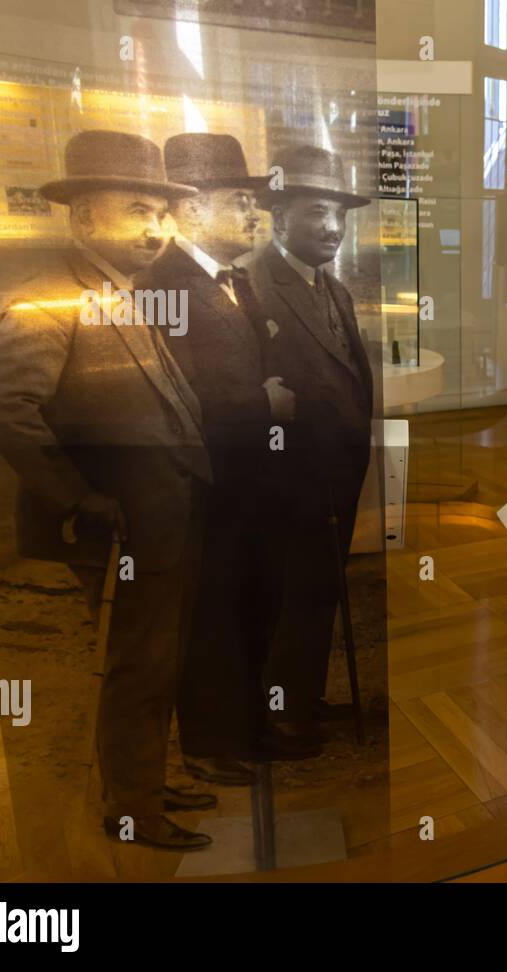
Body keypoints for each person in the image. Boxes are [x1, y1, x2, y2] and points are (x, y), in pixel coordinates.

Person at [0, 130, 214, 851]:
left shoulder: (124, 291)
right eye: (138, 209)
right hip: (120, 530)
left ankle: (143, 780)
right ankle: (131, 810)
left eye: (164, 213)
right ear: (83, 218)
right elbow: (6, 411)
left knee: (158, 660)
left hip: (162, 521)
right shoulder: (49, 298)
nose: (155, 228)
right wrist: (78, 496)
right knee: (136, 665)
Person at [135, 133, 314, 788]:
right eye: (239, 200)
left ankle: (249, 726)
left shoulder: (238, 280)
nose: (253, 214)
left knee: (256, 609)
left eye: (253, 201)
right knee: (212, 619)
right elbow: (172, 400)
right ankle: (210, 744)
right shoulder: (163, 287)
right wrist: (261, 402)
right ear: (189, 212)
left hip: (256, 490)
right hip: (207, 495)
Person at [247, 144, 374, 743]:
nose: (333, 228)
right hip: (285, 482)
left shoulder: (335, 290)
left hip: (336, 476)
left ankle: (303, 695)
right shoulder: (252, 286)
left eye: (341, 216)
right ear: (280, 217)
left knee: (321, 589)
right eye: (318, 212)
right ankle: (276, 712)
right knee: (286, 594)